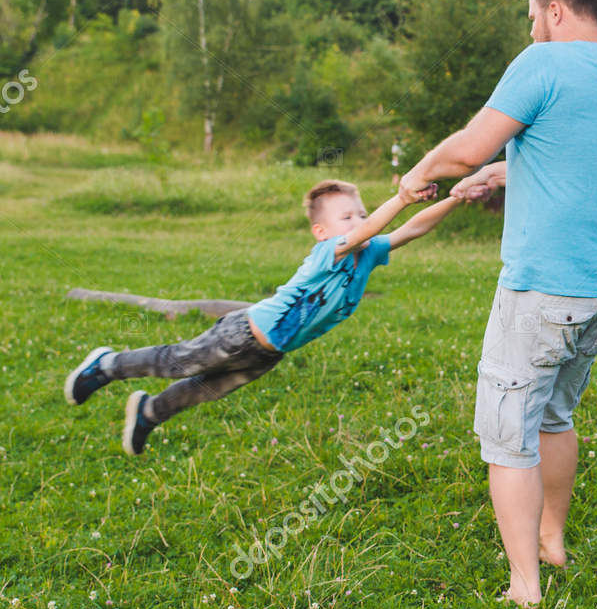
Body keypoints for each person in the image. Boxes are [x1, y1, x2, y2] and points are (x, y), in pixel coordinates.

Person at [400, 0, 597, 607]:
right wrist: (506, 174)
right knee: (555, 418)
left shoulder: (542, 63)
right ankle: (551, 540)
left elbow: (462, 151)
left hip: (543, 288)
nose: (531, 27)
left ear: (555, 10)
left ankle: (524, 587)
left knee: (509, 437)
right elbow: (580, 161)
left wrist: (417, 173)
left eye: (532, 14)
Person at [63, 178, 456, 454]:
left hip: (270, 352)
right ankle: (106, 364)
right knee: (177, 362)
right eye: (346, 217)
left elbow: (412, 230)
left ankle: (149, 413)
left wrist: (458, 196)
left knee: (203, 390)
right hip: (244, 332)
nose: (358, 222)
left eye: (361, 213)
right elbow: (370, 228)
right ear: (322, 231)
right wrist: (403, 198)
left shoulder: (368, 254)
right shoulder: (329, 252)